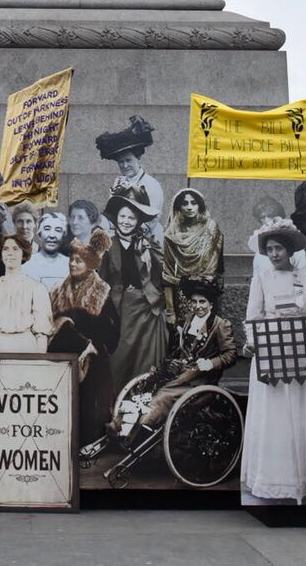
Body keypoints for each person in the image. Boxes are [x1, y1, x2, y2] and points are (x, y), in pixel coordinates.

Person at [241, 218, 306, 504]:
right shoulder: (261, 280)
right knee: (276, 416)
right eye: (270, 249)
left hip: (301, 352)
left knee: (301, 413)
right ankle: (275, 481)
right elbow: (253, 316)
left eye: (279, 249)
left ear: (289, 251)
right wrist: (253, 342)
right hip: (271, 352)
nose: (274, 254)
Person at [133, 276, 237, 437]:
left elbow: (231, 354)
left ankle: (143, 427)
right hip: (180, 373)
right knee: (145, 389)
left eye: (202, 302)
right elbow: (179, 349)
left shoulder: (220, 325)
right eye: (194, 302)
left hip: (199, 380)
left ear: (211, 303)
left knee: (163, 396)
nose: (198, 306)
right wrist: (173, 361)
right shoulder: (188, 320)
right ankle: (121, 427)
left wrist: (210, 363)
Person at [50, 231, 120, 446]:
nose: (72, 264)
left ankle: (91, 443)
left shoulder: (101, 291)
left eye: (78, 261)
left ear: (90, 265)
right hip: (66, 356)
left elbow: (112, 329)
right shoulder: (59, 290)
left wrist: (94, 347)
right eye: (71, 260)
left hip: (93, 356)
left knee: (91, 403)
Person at [98, 194, 166, 386]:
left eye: (131, 218)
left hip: (145, 309)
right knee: (120, 358)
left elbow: (160, 275)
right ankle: (118, 400)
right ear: (116, 218)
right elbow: (101, 282)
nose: (126, 222)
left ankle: (142, 400)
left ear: (137, 221)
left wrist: (150, 250)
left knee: (145, 358)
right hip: (120, 310)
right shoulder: (108, 245)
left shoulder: (145, 244)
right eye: (123, 217)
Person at [0, 233, 55, 352]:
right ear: (1, 254)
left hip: (25, 348)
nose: (10, 253)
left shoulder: (36, 288)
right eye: (5, 249)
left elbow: (42, 333)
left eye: (15, 249)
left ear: (23, 254)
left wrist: (38, 363)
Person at [163, 187, 224, 328]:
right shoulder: (171, 234)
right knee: (183, 339)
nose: (189, 207)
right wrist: (170, 311)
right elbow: (167, 275)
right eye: (185, 203)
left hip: (207, 294)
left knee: (207, 341)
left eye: (193, 203)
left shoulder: (211, 229)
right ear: (179, 207)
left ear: (200, 205)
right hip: (183, 296)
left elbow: (217, 269)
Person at [96, 116, 165, 232]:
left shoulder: (151, 185)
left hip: (144, 238)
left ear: (138, 158)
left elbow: (151, 220)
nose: (125, 166)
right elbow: (111, 212)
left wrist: (126, 234)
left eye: (128, 160)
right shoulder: (119, 182)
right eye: (121, 162)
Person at [22, 209, 72, 291]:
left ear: (63, 236)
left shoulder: (71, 267)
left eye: (58, 230)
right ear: (39, 234)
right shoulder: (26, 268)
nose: (52, 235)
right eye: (47, 229)